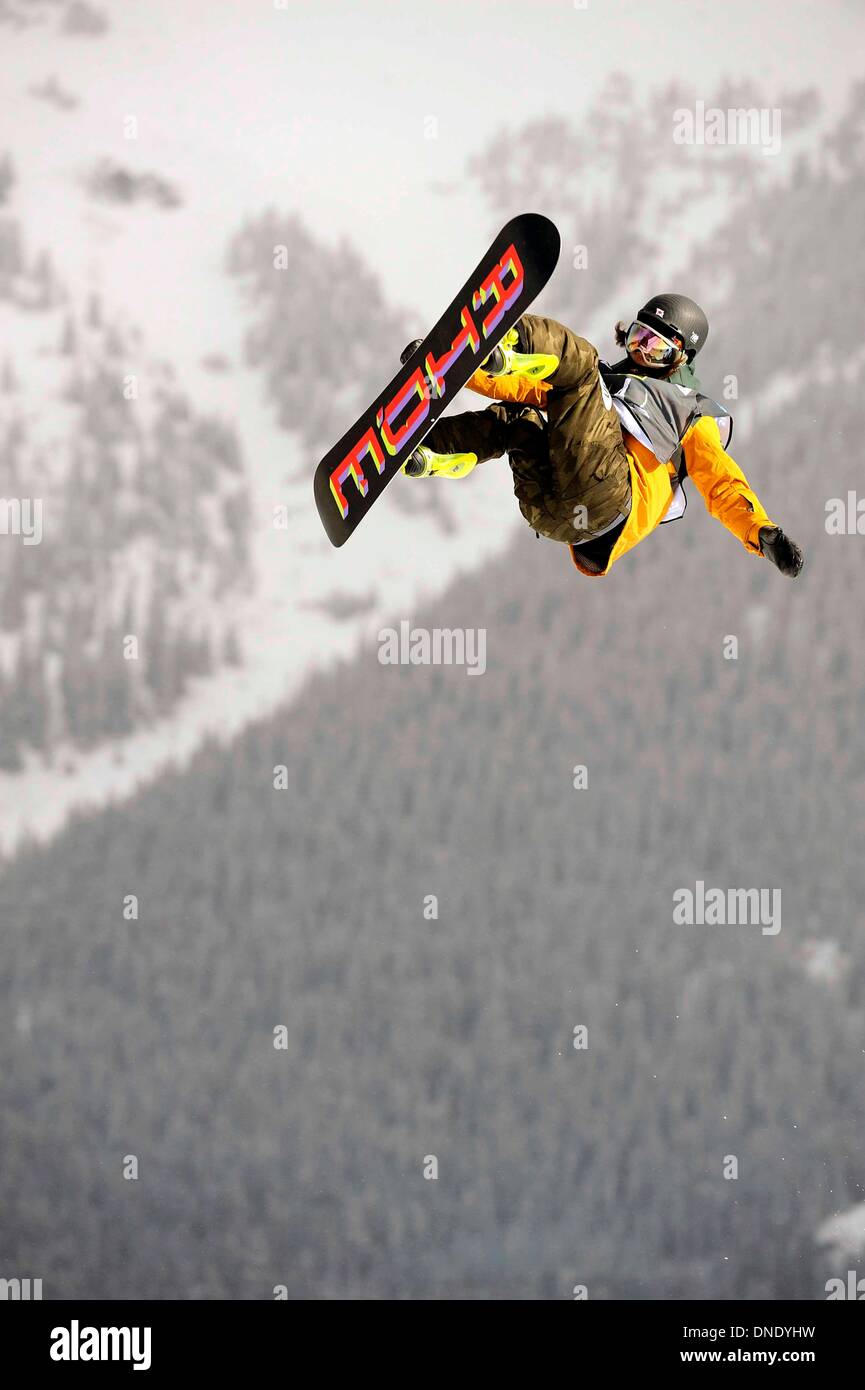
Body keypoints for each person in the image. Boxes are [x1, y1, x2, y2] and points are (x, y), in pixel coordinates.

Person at [400, 294, 804, 579]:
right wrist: (454, 368)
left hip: (611, 499)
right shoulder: (606, 389)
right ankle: (427, 453)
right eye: (638, 338)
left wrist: (762, 533)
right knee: (520, 420)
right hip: (552, 513)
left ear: (680, 359)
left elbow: (721, 483)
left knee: (579, 363)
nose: (642, 353)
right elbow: (526, 387)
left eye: (656, 348)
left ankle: (511, 339)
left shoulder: (686, 412)